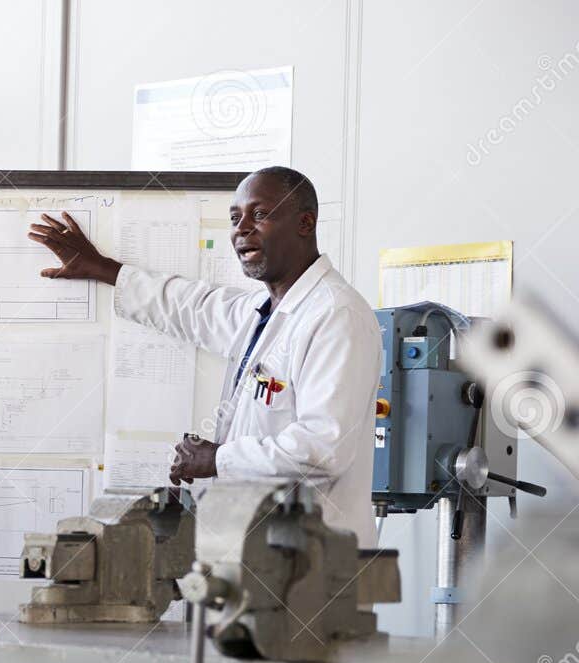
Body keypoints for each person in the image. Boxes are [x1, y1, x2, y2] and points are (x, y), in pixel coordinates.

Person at [27, 165, 381, 545]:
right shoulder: (264, 312)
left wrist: (217, 459)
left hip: (318, 564)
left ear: (305, 223)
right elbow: (192, 306)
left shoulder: (335, 315)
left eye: (259, 215)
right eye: (234, 218)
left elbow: (324, 448)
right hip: (265, 555)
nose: (242, 228)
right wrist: (102, 268)